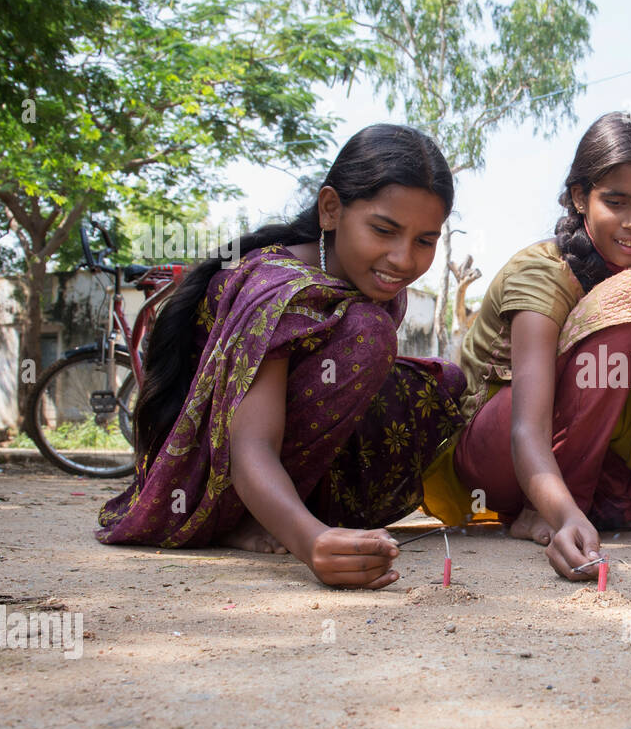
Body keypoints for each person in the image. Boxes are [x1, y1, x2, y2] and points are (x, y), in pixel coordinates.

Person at [97, 124, 466, 590]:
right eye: (384, 230)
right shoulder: (277, 288)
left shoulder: (367, 279)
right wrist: (310, 541)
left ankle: (296, 510)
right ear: (331, 209)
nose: (403, 259)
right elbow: (250, 445)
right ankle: (248, 518)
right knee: (368, 336)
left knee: (441, 385)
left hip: (287, 462)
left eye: (424, 241)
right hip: (217, 475)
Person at [443, 112, 631, 579]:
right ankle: (559, 506)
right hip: (497, 457)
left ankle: (613, 503)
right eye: (616, 202)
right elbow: (526, 426)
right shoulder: (544, 274)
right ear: (581, 197)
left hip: (568, 453)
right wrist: (563, 513)